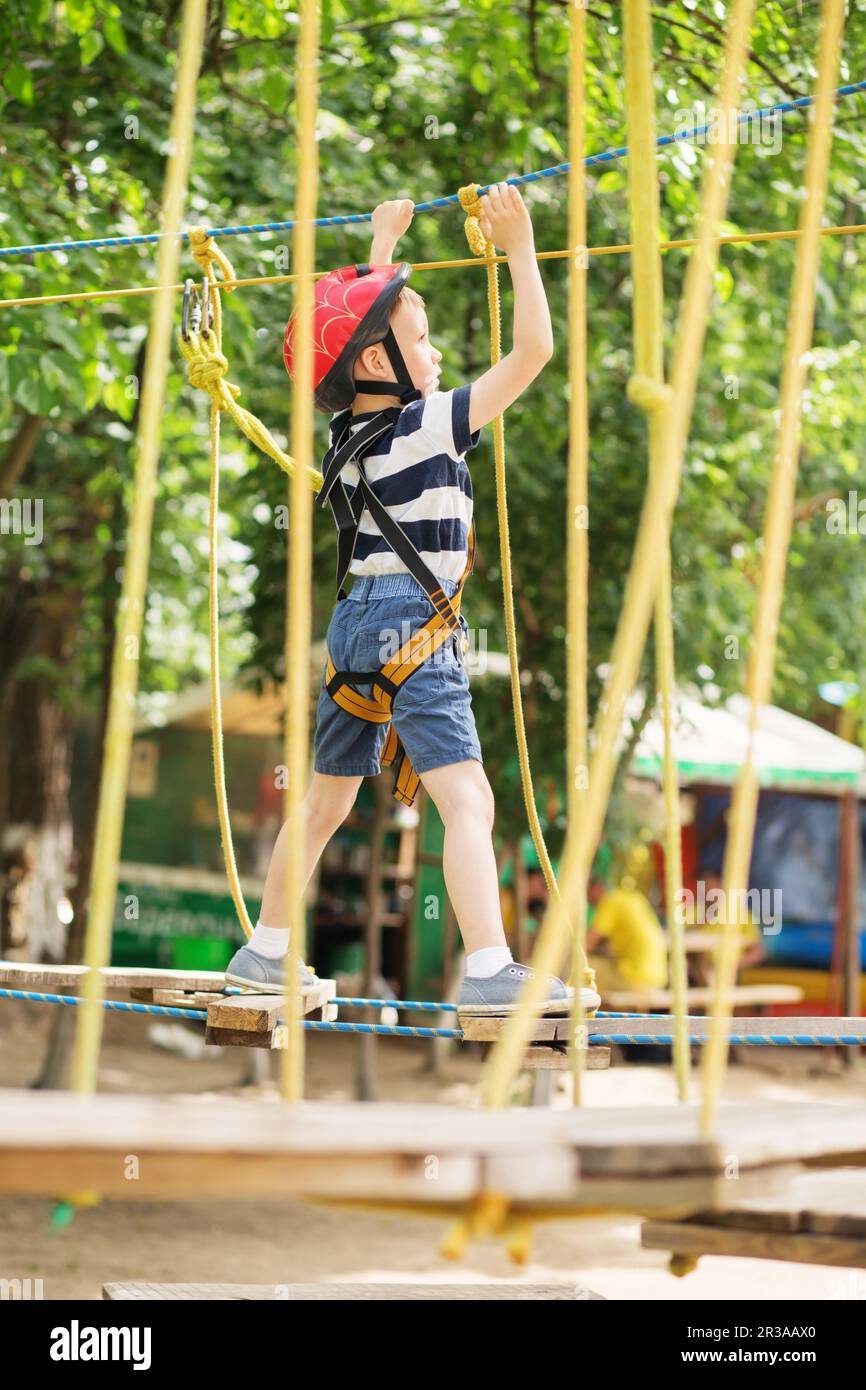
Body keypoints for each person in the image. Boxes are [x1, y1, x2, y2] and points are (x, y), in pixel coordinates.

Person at [226, 187, 600, 1017]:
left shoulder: (346, 439)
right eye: (421, 342)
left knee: (325, 801)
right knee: (467, 799)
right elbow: (534, 350)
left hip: (355, 623)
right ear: (373, 364)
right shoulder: (430, 424)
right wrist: (521, 247)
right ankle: (491, 965)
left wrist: (383, 240)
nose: (434, 356)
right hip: (415, 625)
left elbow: (364, 330)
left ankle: (266, 951)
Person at [585, 878, 668, 993]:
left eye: (586, 895)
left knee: (584, 970)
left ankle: (586, 1010)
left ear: (595, 889)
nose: (587, 901)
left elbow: (586, 945)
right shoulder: (633, 897)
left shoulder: (609, 903)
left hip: (637, 979)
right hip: (659, 977)